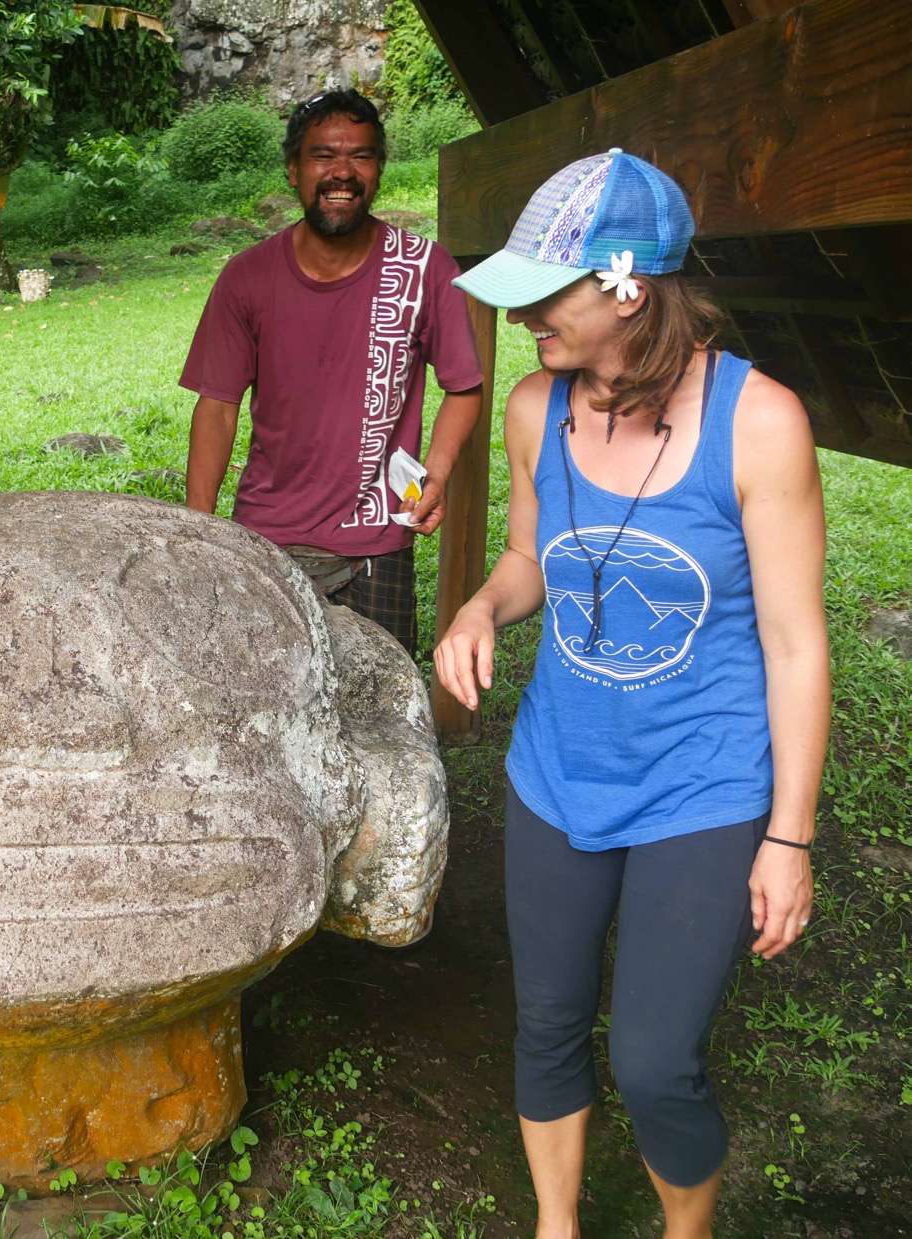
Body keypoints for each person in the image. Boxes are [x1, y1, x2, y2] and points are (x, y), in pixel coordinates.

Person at [435, 150, 829, 1239]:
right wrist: (480, 609)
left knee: (656, 1062)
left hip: (701, 785)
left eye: (544, 295)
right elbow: (530, 559)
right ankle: (557, 1225)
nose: (522, 319)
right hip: (558, 770)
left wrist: (788, 838)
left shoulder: (760, 423)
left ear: (626, 288)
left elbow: (795, 645)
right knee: (547, 1024)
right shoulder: (536, 408)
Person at [179, 89, 484, 654]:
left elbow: (464, 387)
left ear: (379, 170)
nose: (342, 173)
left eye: (361, 156)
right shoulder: (247, 277)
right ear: (294, 171)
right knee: (265, 692)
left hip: (378, 538)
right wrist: (200, 533)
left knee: (385, 694)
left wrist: (437, 472)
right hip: (265, 534)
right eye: (323, 156)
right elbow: (217, 406)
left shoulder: (423, 267)